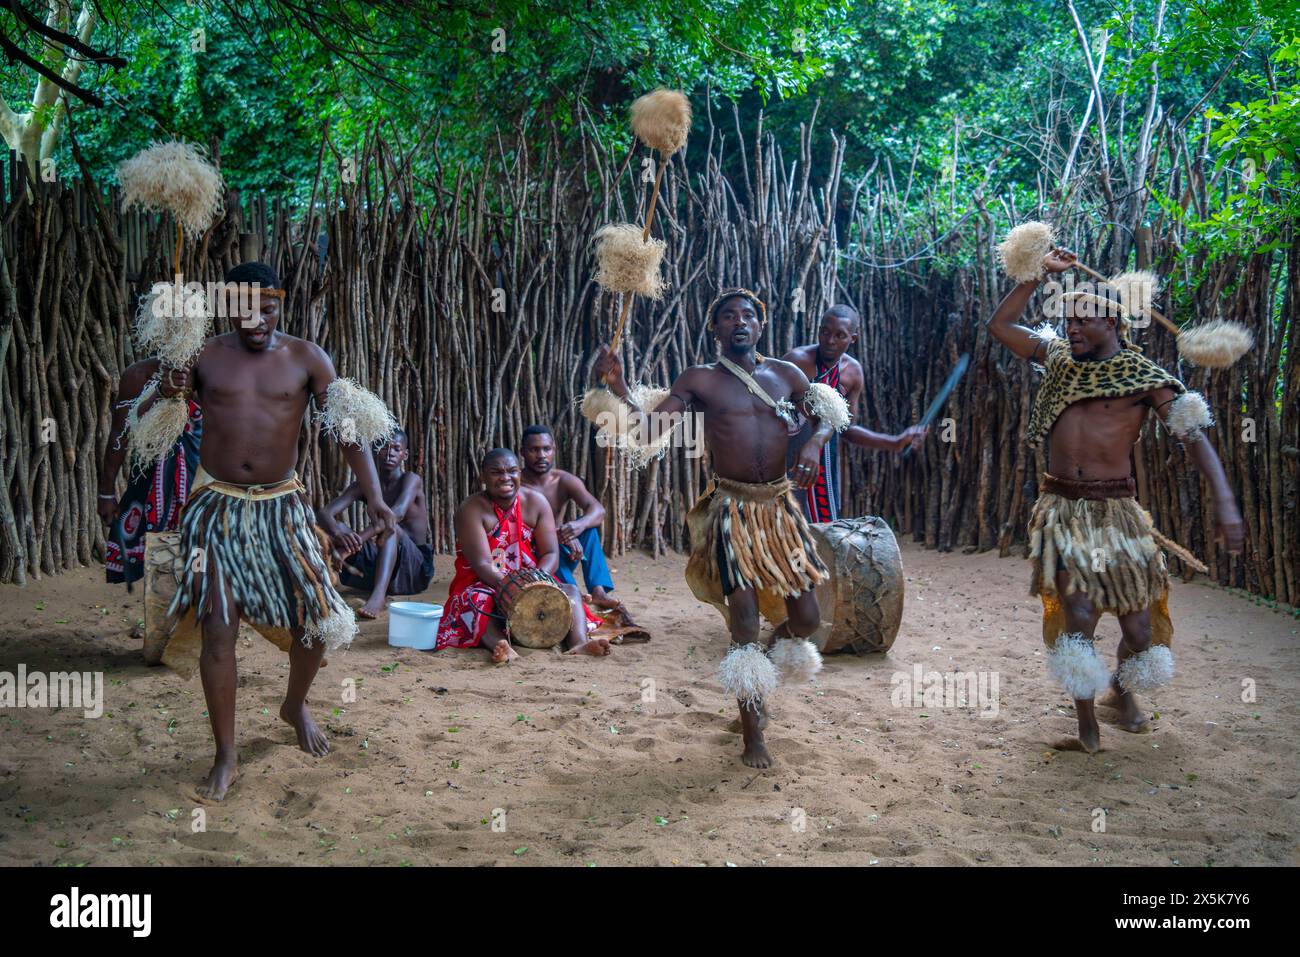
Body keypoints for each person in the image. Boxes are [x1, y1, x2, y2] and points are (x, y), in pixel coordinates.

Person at [143, 261, 396, 801]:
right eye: (243, 307)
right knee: (218, 627)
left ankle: (293, 703)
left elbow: (347, 431)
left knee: (319, 622)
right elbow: (149, 414)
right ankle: (226, 756)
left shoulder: (308, 359)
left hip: (283, 508)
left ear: (283, 304)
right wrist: (167, 390)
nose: (255, 318)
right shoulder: (204, 357)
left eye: (268, 307)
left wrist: (374, 495)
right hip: (217, 509)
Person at [987, 247, 1245, 752]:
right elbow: (1002, 326)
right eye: (1068, 320)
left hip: (1119, 515)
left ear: (1111, 321)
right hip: (1063, 510)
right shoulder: (1058, 359)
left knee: (1141, 630)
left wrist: (1226, 503)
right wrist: (1039, 275)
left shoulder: (1145, 379)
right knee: (1077, 615)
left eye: (1083, 320)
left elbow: (1194, 439)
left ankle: (1120, 694)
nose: (1072, 328)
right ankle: (1086, 727)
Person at [590, 288, 851, 768]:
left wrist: (815, 443)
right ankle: (753, 733)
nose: (739, 322)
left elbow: (830, 415)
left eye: (748, 315)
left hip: (779, 511)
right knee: (745, 623)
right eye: (728, 316)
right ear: (715, 329)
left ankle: (762, 675)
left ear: (761, 325)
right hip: (731, 512)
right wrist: (620, 388)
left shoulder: (787, 375)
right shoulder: (701, 381)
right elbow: (649, 432)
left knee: (809, 620)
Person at [437, 448, 609, 662]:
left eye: (512, 471)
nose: (505, 478)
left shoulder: (536, 502)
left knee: (571, 591)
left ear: (520, 473)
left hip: (533, 578)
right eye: (496, 472)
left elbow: (551, 553)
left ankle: (578, 643)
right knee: (475, 600)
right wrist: (515, 588)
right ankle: (502, 645)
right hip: (485, 582)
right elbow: (482, 564)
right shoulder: (471, 509)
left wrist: (536, 581)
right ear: (482, 476)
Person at [782, 305, 925, 521]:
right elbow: (770, 411)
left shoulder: (853, 372)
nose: (830, 340)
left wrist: (894, 442)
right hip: (785, 458)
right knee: (782, 527)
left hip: (823, 464)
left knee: (823, 532)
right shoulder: (795, 361)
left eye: (840, 335)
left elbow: (846, 429)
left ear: (853, 339)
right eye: (825, 332)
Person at [98, 358, 202, 586]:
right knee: (162, 581)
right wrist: (106, 493)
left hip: (203, 489)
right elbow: (120, 433)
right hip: (149, 490)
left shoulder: (214, 374)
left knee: (203, 573)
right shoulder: (138, 376)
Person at [318, 428, 433, 619]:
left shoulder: (411, 480)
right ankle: (320, 585)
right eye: (383, 447)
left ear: (405, 455)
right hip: (381, 563)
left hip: (414, 569)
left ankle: (378, 597)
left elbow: (395, 515)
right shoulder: (365, 486)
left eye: (396, 449)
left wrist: (350, 548)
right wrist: (339, 537)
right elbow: (325, 513)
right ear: (372, 452)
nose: (389, 453)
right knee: (334, 528)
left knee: (391, 528)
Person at [518, 424, 624, 612]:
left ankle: (598, 591)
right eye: (534, 450)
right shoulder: (516, 484)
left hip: (565, 547)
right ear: (523, 453)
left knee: (589, 530)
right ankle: (571, 592)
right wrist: (557, 535)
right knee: (550, 547)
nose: (541, 455)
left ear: (554, 450)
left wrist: (577, 526)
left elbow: (598, 510)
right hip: (532, 555)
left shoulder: (563, 481)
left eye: (546, 449)